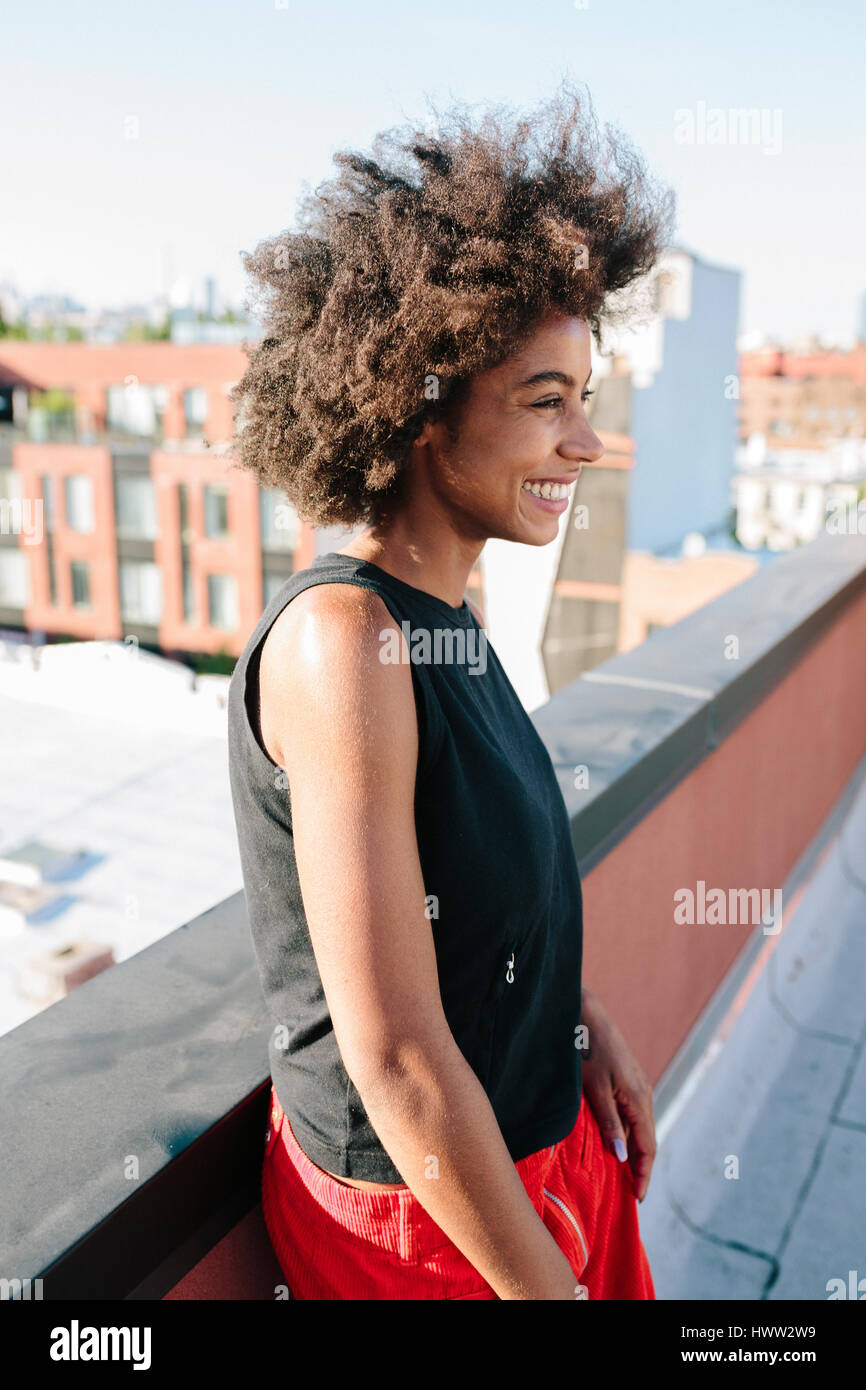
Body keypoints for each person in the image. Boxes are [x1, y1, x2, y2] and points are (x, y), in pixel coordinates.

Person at [227, 82, 674, 1300]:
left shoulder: (447, 616)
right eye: (546, 401)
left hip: (525, 1151)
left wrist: (578, 1026)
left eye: (584, 398)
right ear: (422, 406)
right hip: (429, 1215)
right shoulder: (342, 642)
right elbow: (399, 1056)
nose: (584, 442)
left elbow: (481, 891)